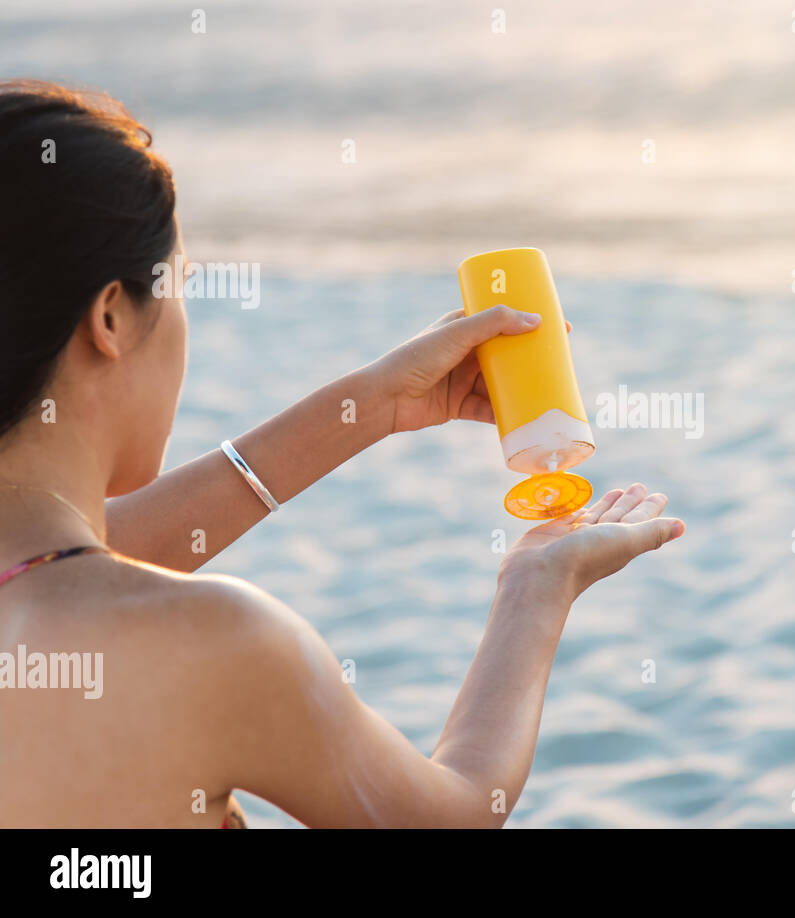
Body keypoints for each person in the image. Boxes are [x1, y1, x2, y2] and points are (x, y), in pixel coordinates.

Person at [0, 80, 684, 828]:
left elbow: (88, 559)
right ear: (110, 317)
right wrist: (536, 587)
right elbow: (449, 818)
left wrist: (374, 404)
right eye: (181, 287)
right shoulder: (215, 641)